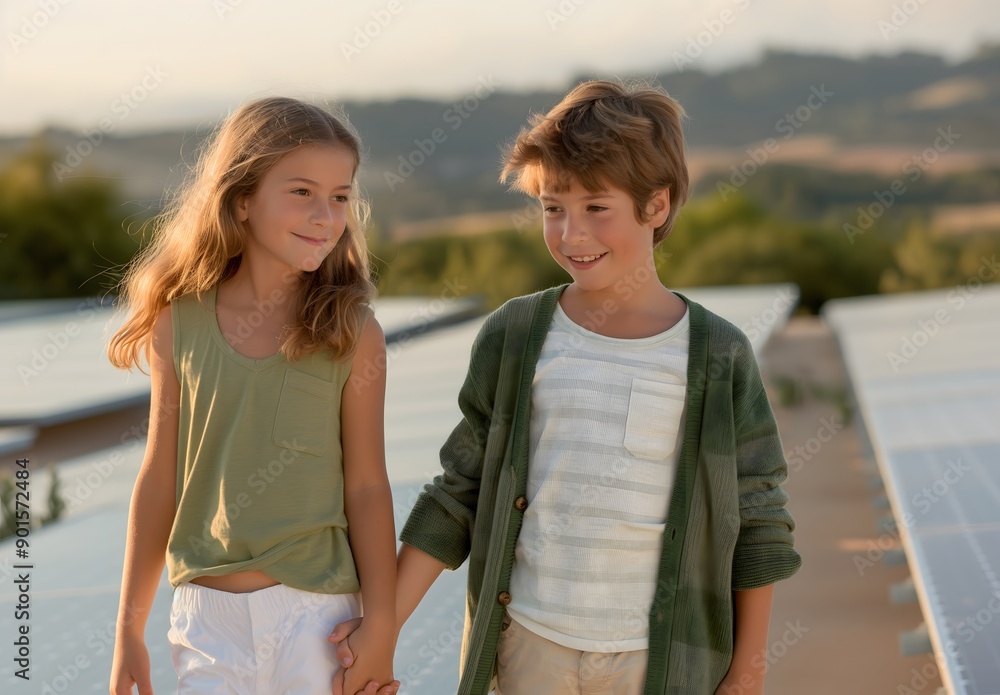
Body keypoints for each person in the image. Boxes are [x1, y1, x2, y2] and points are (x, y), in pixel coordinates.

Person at [330, 79, 802, 694]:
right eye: (554, 208)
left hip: (658, 663)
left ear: (656, 206)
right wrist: (382, 629)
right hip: (529, 650)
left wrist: (747, 670)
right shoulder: (514, 335)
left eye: (596, 209)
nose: (571, 234)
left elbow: (758, 515)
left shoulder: (718, 354)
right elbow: (457, 494)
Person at [106, 96, 399, 695]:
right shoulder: (176, 322)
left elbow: (367, 487)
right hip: (206, 622)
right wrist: (127, 631)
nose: (325, 214)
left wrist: (383, 628)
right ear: (242, 199)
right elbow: (160, 478)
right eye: (301, 192)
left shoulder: (353, 333)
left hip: (319, 617)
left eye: (340, 197)